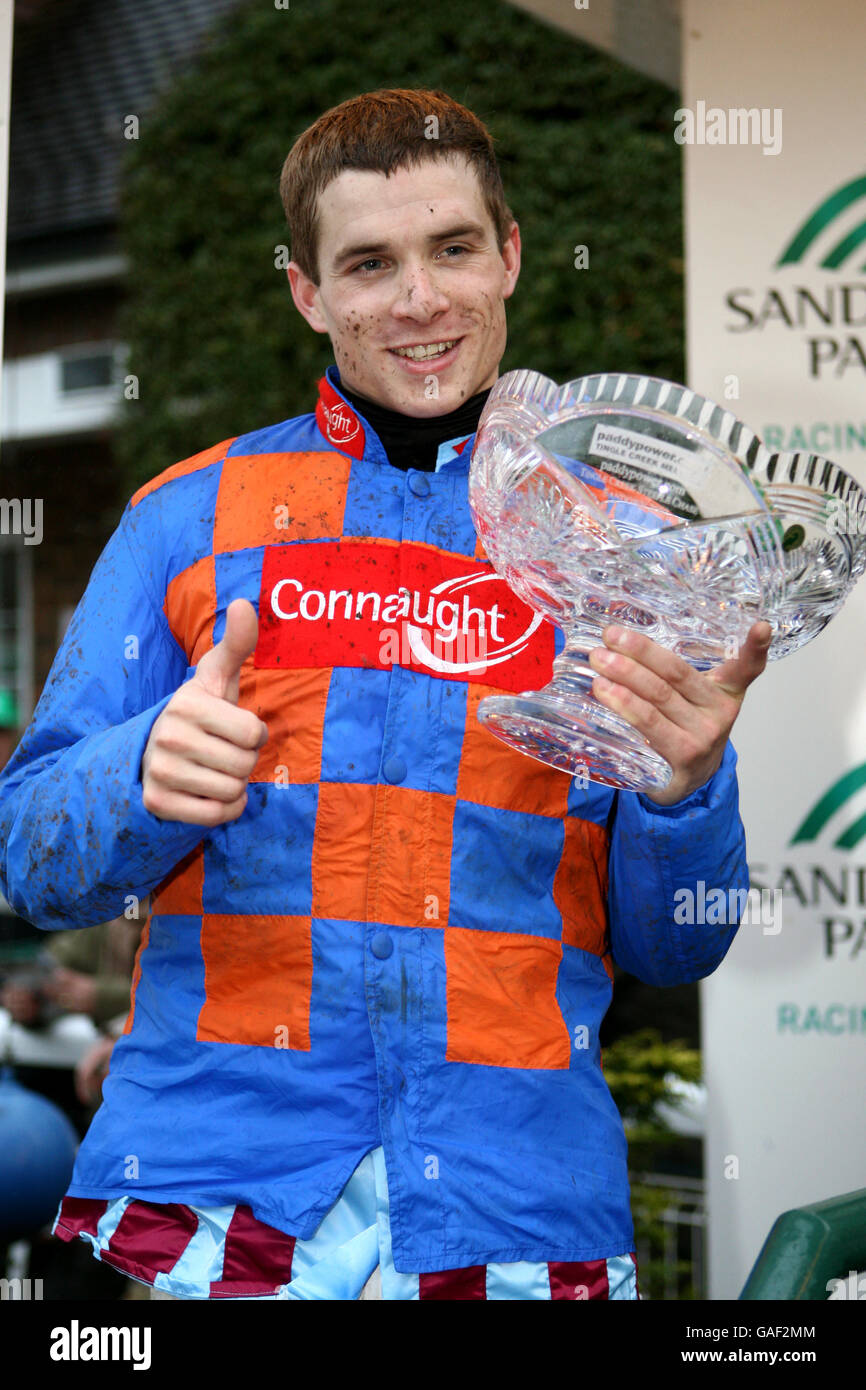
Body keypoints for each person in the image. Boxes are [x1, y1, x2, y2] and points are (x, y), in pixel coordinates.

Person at [0, 87, 770, 1301]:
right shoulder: (181, 519)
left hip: (515, 1210)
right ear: (309, 292)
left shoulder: (628, 550)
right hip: (210, 1196)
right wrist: (136, 768)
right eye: (368, 263)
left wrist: (683, 792)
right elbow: (32, 864)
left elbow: (680, 942)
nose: (418, 299)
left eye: (451, 248)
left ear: (508, 255)